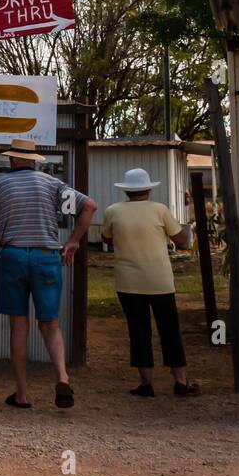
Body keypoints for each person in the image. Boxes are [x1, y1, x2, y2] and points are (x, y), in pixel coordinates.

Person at [0, 138, 96, 409]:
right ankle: (62, 376)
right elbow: (89, 206)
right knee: (50, 324)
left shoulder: (0, 185)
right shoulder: (51, 184)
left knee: (19, 326)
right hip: (46, 257)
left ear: (12, 159)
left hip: (13, 256)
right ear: (33, 160)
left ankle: (22, 395)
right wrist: (73, 241)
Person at [101, 168, 199, 397]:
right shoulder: (160, 210)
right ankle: (180, 381)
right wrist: (188, 228)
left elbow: (106, 237)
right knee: (169, 330)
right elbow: (181, 240)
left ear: (126, 190)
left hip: (128, 281)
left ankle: (146, 383)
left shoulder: (113, 211)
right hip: (160, 280)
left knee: (138, 331)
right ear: (148, 189)